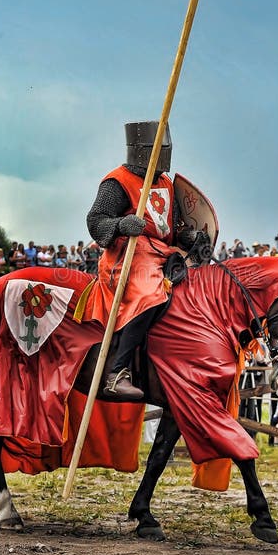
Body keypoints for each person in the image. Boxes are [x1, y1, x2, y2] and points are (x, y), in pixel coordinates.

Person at [86, 121, 211, 399]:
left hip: (162, 253)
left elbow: (171, 227)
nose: (165, 153)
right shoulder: (117, 182)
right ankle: (117, 373)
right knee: (150, 293)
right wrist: (120, 224)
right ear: (142, 151)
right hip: (127, 256)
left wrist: (189, 236)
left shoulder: (165, 182)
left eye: (167, 148)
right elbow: (96, 221)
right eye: (159, 149)